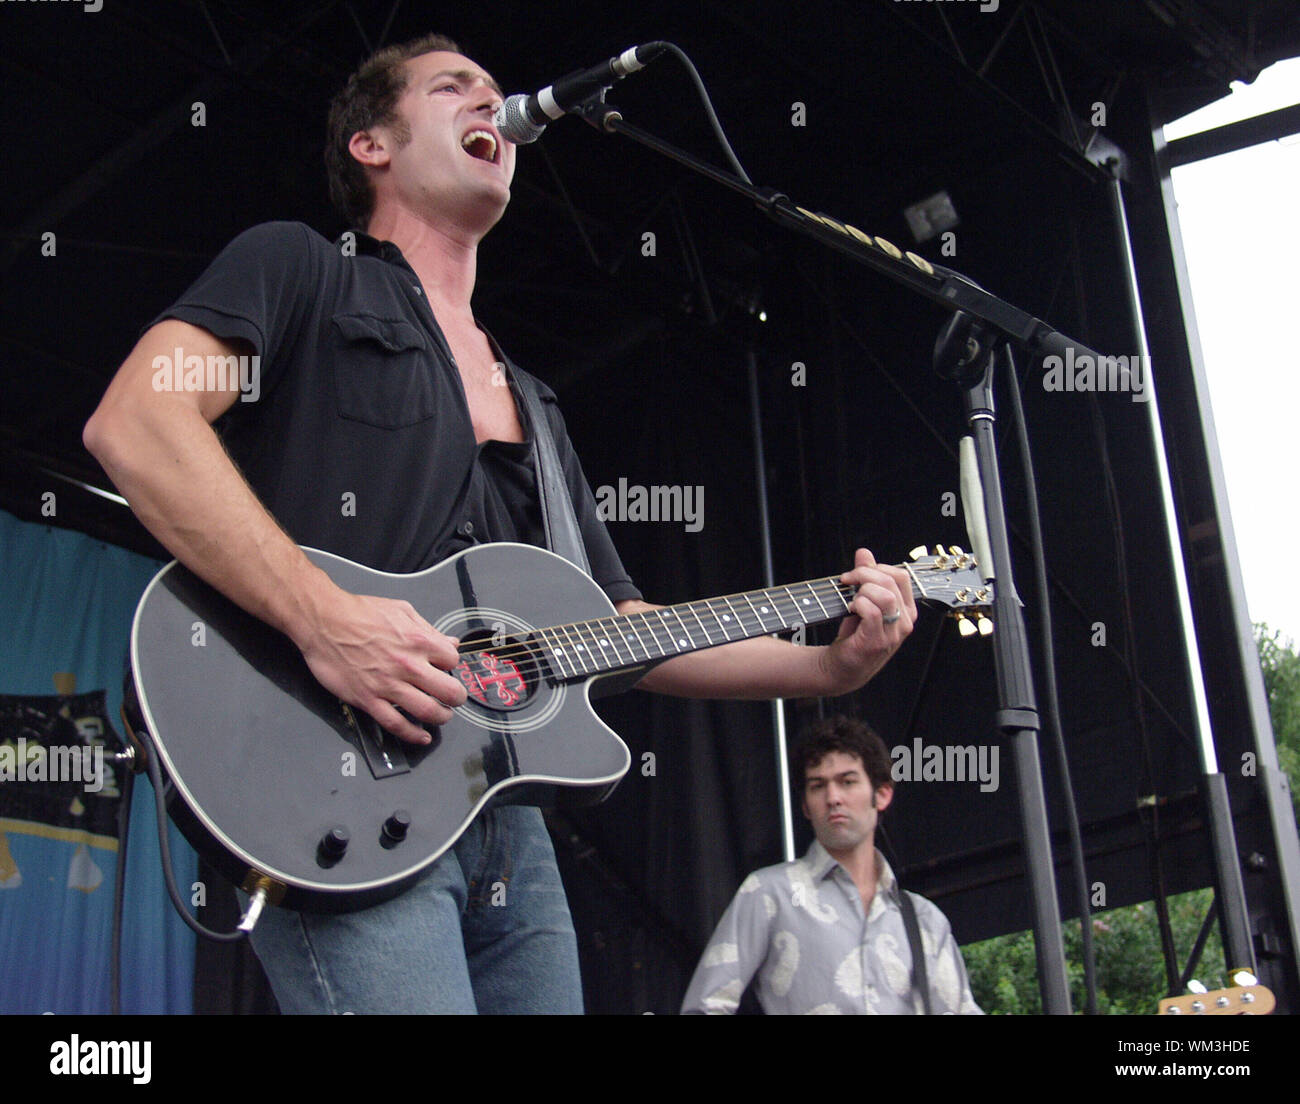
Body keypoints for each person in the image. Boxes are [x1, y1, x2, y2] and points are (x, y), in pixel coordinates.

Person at [82, 33, 917, 1014]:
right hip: (326, 778)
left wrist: (830, 667)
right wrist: (324, 618)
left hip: (500, 818)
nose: (497, 105)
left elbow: (626, 631)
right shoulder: (299, 270)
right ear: (372, 146)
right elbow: (137, 423)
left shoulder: (535, 401)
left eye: (496, 92)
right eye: (453, 89)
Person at [681, 716, 982, 1014]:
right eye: (817, 786)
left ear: (882, 794)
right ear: (805, 806)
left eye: (847, 782)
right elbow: (705, 1007)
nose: (833, 797)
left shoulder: (923, 918)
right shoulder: (769, 893)